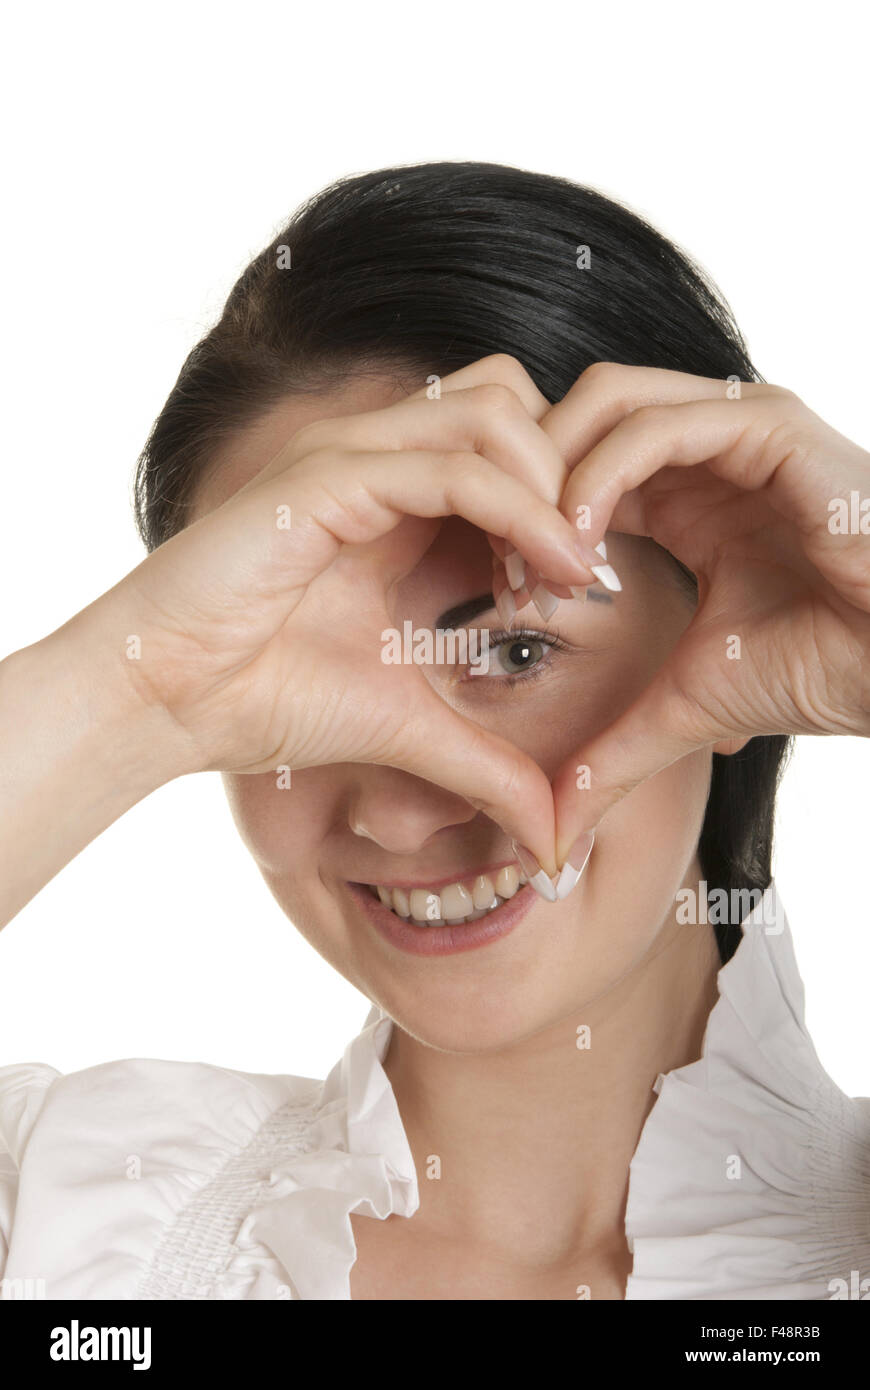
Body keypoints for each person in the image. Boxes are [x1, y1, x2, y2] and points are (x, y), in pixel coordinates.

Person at [2, 161, 869, 1301]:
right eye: (286, 682)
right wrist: (139, 690)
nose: (398, 808)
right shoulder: (65, 1218)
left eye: (513, 650)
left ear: (724, 629)